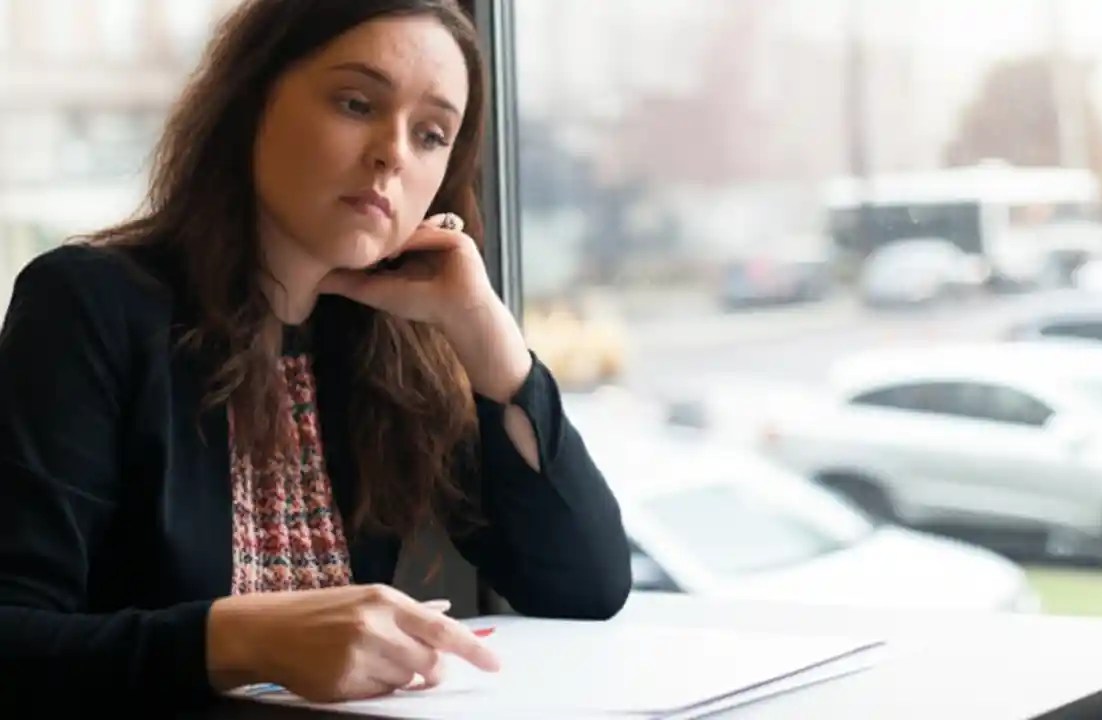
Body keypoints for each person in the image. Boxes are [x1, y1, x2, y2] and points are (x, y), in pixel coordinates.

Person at [0, 0, 630, 711]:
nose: (394, 152)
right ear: (254, 100)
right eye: (357, 103)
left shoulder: (393, 344)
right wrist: (238, 640)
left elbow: (586, 585)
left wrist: (485, 332)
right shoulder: (90, 305)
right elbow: (15, 637)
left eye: (431, 134)